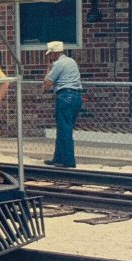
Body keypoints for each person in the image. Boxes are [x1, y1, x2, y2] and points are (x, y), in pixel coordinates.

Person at [42, 40, 83, 168]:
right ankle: (58, 157)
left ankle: (68, 160)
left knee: (64, 129)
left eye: (50, 54)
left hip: (64, 96)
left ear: (55, 53)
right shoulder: (71, 61)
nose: (49, 56)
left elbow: (47, 83)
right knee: (64, 127)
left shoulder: (58, 64)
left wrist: (48, 68)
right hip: (76, 97)